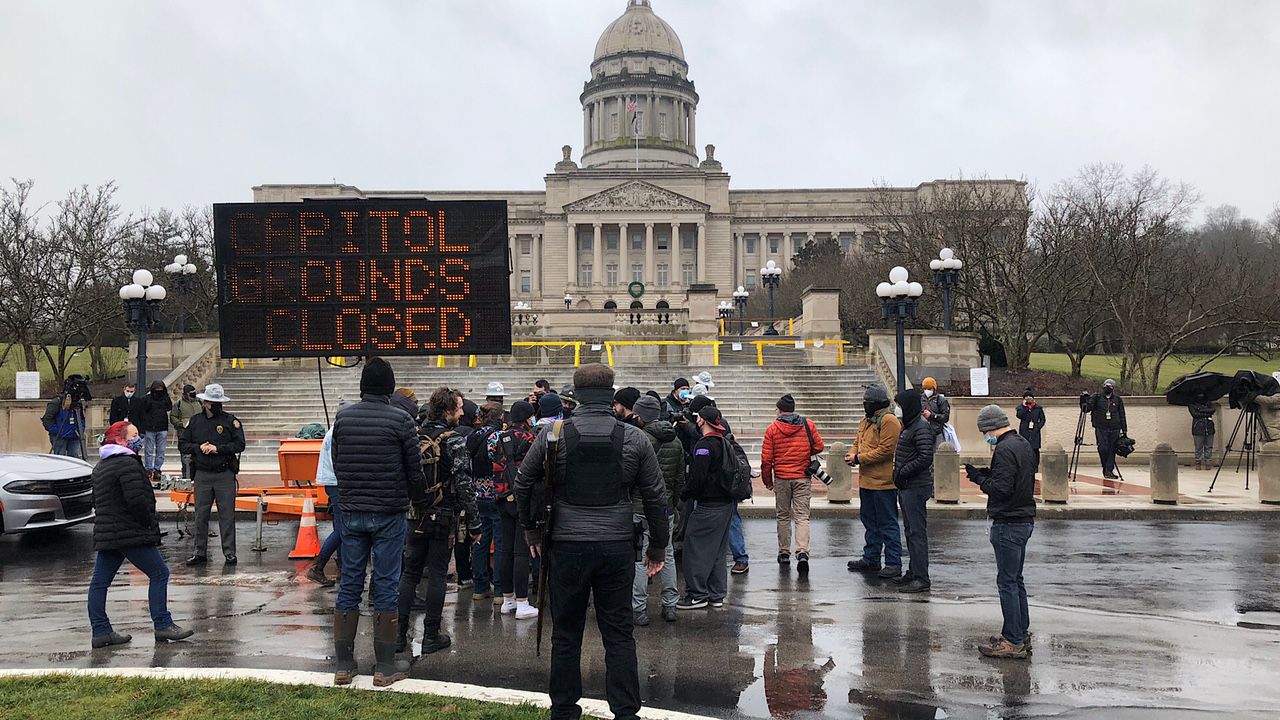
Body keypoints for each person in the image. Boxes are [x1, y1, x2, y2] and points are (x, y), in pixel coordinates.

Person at [516, 363, 668, 720]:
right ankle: (626, 712)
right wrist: (658, 545)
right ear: (611, 395)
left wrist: (531, 530)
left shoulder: (553, 433)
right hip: (616, 544)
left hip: (567, 544)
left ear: (577, 396)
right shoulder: (634, 438)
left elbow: (523, 483)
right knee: (619, 633)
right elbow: (656, 496)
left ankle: (564, 710)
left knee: (566, 633)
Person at [330, 358, 425, 687]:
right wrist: (419, 499)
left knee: (350, 583)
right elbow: (414, 470)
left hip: (352, 510)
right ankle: (384, 665)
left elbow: (337, 462)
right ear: (389, 387)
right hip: (389, 511)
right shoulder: (401, 420)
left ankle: (344, 663)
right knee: (385, 583)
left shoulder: (343, 418)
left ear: (362, 387)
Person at [87, 421, 193, 649]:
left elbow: (96, 500)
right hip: (130, 531)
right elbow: (137, 501)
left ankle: (100, 631)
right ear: (121, 440)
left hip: (109, 532)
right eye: (134, 436)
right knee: (159, 573)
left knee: (100, 582)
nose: (139, 439)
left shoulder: (101, 465)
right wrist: (147, 523)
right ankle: (163, 624)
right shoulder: (128, 463)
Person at [397, 387, 482, 655]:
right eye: (459, 407)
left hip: (414, 514)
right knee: (437, 574)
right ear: (447, 410)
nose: (462, 412)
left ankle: (398, 635)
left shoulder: (414, 436)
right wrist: (475, 523)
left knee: (409, 573)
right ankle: (431, 635)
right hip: (443, 515)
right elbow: (465, 484)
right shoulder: (454, 440)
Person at [965, 405, 1037, 660]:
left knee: (1007, 582)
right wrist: (985, 473)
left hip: (1008, 521)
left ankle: (1013, 641)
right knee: (1016, 580)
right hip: (1023, 518)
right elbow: (1015, 478)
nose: (985, 437)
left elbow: (1002, 488)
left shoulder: (1004, 449)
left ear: (991, 427)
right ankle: (1019, 632)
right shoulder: (1022, 444)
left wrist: (979, 479)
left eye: (984, 432)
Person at [179, 383, 245, 566]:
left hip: (224, 472)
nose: (216, 406)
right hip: (202, 473)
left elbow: (239, 444)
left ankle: (229, 552)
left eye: (218, 403)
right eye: (212, 403)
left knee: (227, 515)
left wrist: (218, 449)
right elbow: (183, 444)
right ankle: (199, 552)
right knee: (200, 515)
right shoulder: (195, 422)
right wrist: (198, 447)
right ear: (205, 403)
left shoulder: (230, 421)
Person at [631, 395, 683, 625]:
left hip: (640, 505)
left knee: (640, 556)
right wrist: (672, 502)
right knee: (666, 552)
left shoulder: (638, 439)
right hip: (665, 506)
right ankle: (670, 604)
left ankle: (638, 607)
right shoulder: (676, 441)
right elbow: (679, 478)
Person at [678, 405, 736, 610]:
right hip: (726, 504)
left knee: (695, 548)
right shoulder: (724, 441)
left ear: (701, 420)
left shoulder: (704, 445)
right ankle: (716, 594)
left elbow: (698, 477)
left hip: (708, 505)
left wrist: (684, 494)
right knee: (718, 551)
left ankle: (697, 595)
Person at [760, 394, 823, 573]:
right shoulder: (807, 424)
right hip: (802, 476)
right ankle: (802, 552)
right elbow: (819, 446)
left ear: (779, 410)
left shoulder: (772, 429)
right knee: (802, 516)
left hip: (782, 478)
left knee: (783, 515)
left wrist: (767, 481)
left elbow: (766, 460)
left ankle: (784, 552)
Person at [845, 384, 903, 579]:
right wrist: (852, 454)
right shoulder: (866, 421)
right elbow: (857, 442)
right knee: (870, 522)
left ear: (877, 404)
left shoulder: (889, 421)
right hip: (867, 481)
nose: (865, 405)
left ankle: (893, 562)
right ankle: (871, 558)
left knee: (887, 523)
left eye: (867, 402)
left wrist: (859, 458)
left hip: (883, 483)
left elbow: (886, 450)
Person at [492, 400, 538, 618]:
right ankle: (522, 602)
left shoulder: (500, 438)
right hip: (522, 498)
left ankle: (507, 599)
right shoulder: (529, 438)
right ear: (528, 418)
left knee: (505, 549)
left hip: (502, 497)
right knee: (521, 552)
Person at [306, 401, 354, 587]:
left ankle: (342, 568)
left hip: (332, 483)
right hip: (337, 483)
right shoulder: (338, 433)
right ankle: (318, 566)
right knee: (343, 529)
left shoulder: (335, 431)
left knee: (341, 526)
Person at [893, 388, 935, 593]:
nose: (897, 409)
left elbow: (925, 457)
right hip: (907, 485)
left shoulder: (921, 427)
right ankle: (913, 571)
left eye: (900, 406)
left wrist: (903, 471)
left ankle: (921, 577)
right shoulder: (910, 426)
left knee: (917, 533)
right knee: (910, 531)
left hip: (915, 486)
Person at [468, 401, 505, 601]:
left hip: (476, 493)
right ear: (500, 417)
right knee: (499, 541)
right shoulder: (497, 437)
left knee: (480, 540)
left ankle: (480, 587)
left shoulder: (471, 436)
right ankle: (500, 589)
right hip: (495, 493)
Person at [1086, 379, 1127, 479]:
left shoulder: (1117, 399)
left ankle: (1109, 470)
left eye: (1110, 386)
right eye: (1106, 386)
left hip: (1115, 427)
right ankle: (1105, 467)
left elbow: (1122, 414)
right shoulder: (1097, 397)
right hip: (1101, 427)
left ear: (1113, 388)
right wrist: (1085, 401)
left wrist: (1124, 430)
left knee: (1112, 449)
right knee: (1102, 448)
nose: (1107, 388)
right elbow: (1087, 409)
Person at [137, 381, 174, 483]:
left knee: (161, 451)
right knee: (149, 451)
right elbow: (143, 411)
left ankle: (157, 469)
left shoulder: (165, 398)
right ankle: (149, 469)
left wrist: (166, 396)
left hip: (162, 427)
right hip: (150, 428)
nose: (159, 391)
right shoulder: (147, 399)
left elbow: (169, 407)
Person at [42, 380, 87, 459]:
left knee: (75, 458)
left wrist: (80, 430)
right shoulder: (56, 403)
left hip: (74, 436)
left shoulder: (77, 403)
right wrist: (58, 430)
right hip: (59, 437)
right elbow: (47, 420)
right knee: (60, 458)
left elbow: (82, 418)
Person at [169, 384, 202, 479]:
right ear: (186, 394)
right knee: (185, 455)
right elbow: (173, 416)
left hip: (198, 432)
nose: (194, 395)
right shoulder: (179, 404)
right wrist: (180, 424)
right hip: (184, 433)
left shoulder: (199, 403)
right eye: (191, 393)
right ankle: (186, 475)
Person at [1015, 388, 1046, 471]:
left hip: (1035, 432)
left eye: (1030, 397)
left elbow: (1042, 419)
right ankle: (1025, 466)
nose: (1028, 399)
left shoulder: (1038, 408)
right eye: (1026, 397)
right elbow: (1019, 415)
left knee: (1035, 449)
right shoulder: (1020, 408)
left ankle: (1035, 466)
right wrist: (1025, 407)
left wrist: (1038, 427)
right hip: (1024, 431)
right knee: (1024, 449)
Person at [1188, 393, 1217, 471]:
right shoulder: (1192, 404)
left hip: (1209, 427)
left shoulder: (1209, 403)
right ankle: (1198, 462)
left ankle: (1208, 463)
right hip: (1198, 428)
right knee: (1198, 447)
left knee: (1209, 446)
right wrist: (1206, 412)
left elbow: (1212, 410)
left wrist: (1200, 410)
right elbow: (1195, 414)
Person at [920, 377, 951, 447]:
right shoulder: (920, 399)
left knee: (938, 449)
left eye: (929, 389)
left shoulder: (941, 400)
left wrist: (932, 415)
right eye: (925, 389)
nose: (927, 391)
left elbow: (945, 417)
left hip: (937, 432)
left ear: (934, 389)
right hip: (923, 432)